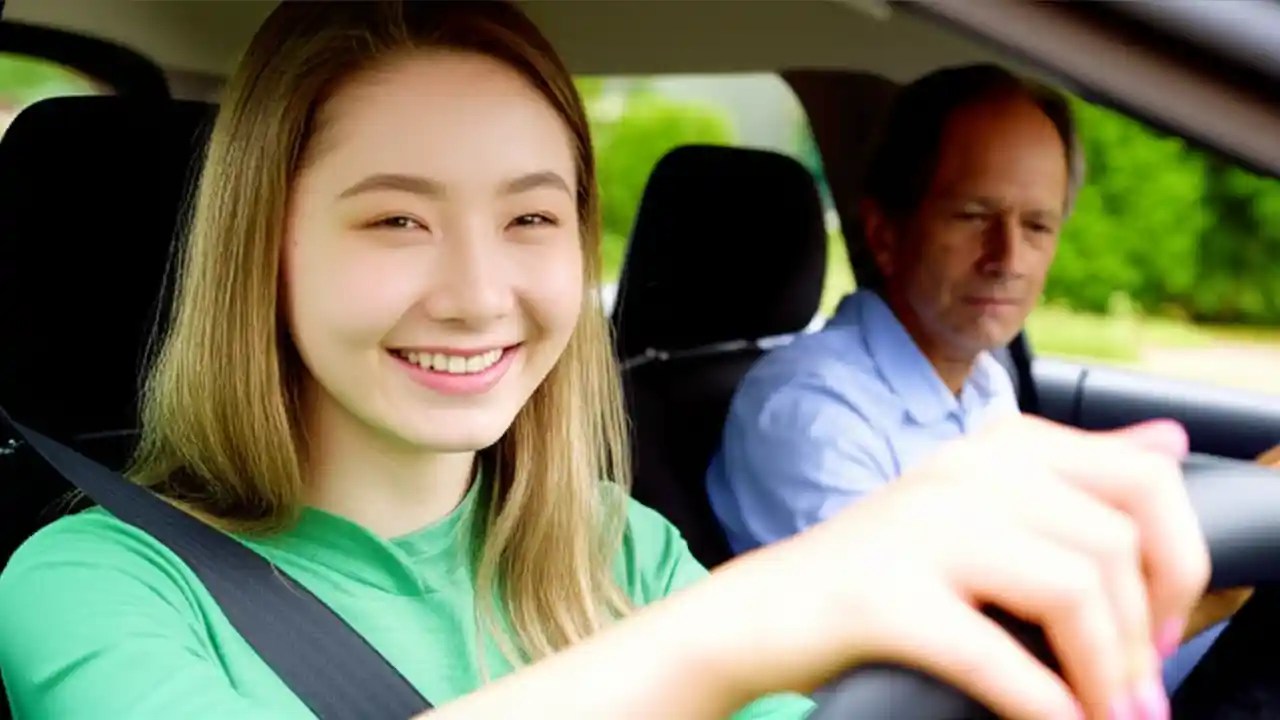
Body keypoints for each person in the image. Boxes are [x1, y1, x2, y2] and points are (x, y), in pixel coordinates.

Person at [0, 3, 1213, 720]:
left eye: (531, 218)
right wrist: (750, 622)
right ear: (262, 253)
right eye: (395, 219)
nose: (480, 295)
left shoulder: (608, 541)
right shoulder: (88, 583)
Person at [706, 63, 1078, 557]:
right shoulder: (811, 413)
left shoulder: (984, 386)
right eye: (972, 217)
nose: (1007, 259)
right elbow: (907, 627)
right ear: (885, 235)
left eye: (1037, 226)